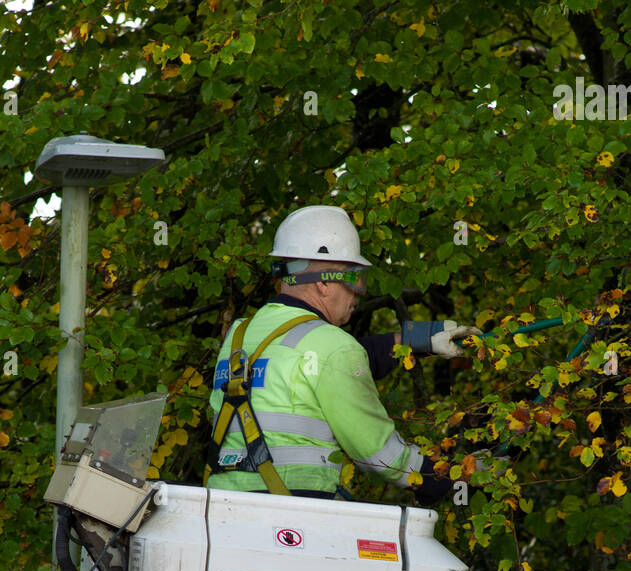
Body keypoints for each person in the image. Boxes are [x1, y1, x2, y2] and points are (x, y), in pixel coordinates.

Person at [204, 205, 480, 502]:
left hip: (221, 508)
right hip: (293, 514)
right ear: (323, 282)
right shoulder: (331, 347)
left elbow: (316, 370)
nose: (358, 294)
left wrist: (415, 340)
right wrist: (450, 476)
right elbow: (379, 455)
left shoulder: (240, 334)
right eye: (354, 278)